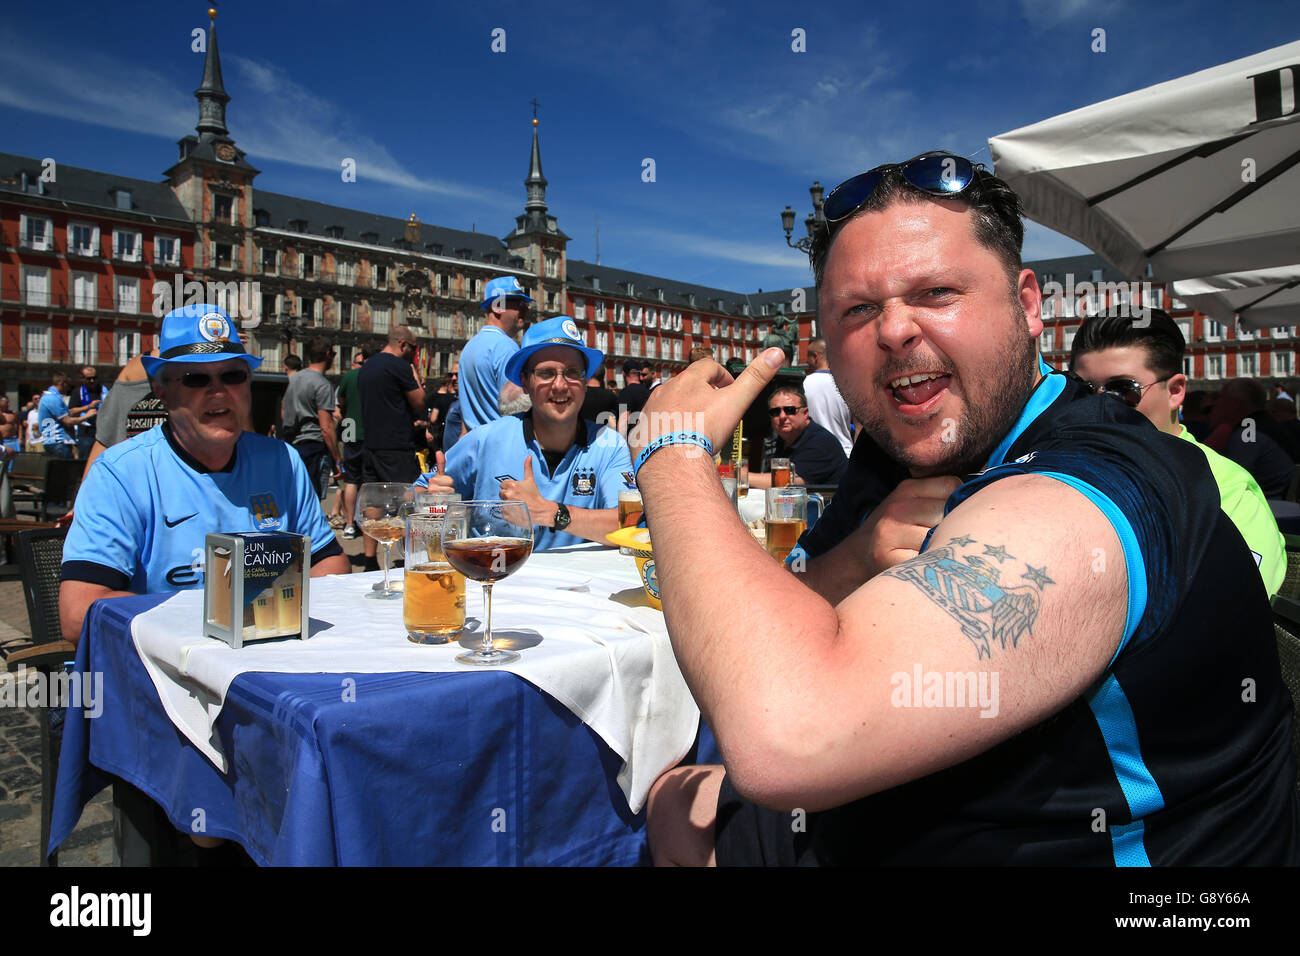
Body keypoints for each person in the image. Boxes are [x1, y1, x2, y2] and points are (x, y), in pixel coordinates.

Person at [636, 152, 1297, 865]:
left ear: (1028, 304)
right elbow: (794, 613)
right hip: (886, 805)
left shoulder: (1104, 479)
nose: (894, 331)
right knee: (672, 800)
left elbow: (787, 736)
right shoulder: (904, 446)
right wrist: (859, 556)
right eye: (857, 309)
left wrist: (672, 458)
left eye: (938, 291)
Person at [60, 304, 350, 644]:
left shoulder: (282, 460)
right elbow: (78, 613)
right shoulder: (120, 473)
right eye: (196, 378)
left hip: (271, 664)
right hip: (165, 678)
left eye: (232, 376)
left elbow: (330, 564)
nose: (218, 391)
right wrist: (224, 614)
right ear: (162, 391)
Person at [1070, 309, 1285, 599]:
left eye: (1122, 391)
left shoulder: (1225, 491)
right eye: (1082, 392)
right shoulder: (1064, 472)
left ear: (1175, 391)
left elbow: (1232, 611)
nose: (1099, 408)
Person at [416, 316, 632, 550]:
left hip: (580, 584)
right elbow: (416, 493)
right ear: (525, 382)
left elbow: (627, 523)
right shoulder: (486, 439)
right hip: (494, 579)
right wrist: (433, 496)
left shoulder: (610, 444)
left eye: (572, 372)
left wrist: (550, 513)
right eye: (546, 373)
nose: (560, 385)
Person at [1204, 378, 1298, 499]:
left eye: (1221, 398)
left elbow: (1232, 479)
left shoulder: (1248, 433)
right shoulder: (1265, 424)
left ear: (1236, 403)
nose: (1216, 404)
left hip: (1267, 502)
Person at [459, 275, 530, 431]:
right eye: (519, 303)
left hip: (476, 444)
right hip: (501, 444)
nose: (526, 308)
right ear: (498, 306)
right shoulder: (505, 347)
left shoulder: (469, 348)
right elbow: (517, 410)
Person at [747, 385, 848, 489]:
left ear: (805, 413)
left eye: (790, 410)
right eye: (775, 412)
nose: (782, 416)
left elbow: (785, 483)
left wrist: (740, 476)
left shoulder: (821, 442)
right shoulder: (783, 439)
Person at [282, 336, 341, 501]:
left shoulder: (294, 380)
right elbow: (326, 427)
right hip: (315, 447)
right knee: (313, 498)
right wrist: (337, 459)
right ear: (328, 354)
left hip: (294, 445)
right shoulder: (322, 384)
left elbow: (284, 413)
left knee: (297, 497)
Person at [333, 348, 369, 538]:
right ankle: (367, 522)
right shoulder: (374, 375)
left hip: (350, 430)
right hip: (371, 432)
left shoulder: (348, 377)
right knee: (370, 481)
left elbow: (340, 400)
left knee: (351, 480)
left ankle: (349, 524)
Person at [803, 338, 855, 457]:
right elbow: (859, 425)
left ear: (815, 356)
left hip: (816, 454)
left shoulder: (803, 384)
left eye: (808, 357)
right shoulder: (847, 385)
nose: (806, 361)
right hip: (846, 454)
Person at [37, 372, 95, 459]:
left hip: (53, 442)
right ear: (62, 383)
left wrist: (88, 407)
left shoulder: (50, 397)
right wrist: (88, 415)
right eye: (68, 385)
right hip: (58, 442)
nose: (69, 388)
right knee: (66, 471)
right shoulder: (52, 398)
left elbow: (67, 413)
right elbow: (67, 421)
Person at [74, 366, 108, 460]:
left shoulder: (104, 390)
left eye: (95, 378)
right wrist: (88, 407)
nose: (92, 381)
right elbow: (71, 411)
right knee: (84, 463)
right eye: (89, 379)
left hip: (102, 433)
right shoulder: (78, 392)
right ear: (82, 379)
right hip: (85, 434)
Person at [617, 361, 651, 437]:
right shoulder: (648, 392)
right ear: (639, 374)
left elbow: (624, 418)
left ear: (623, 373)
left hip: (633, 439)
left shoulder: (626, 392)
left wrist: (620, 443)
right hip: (648, 438)